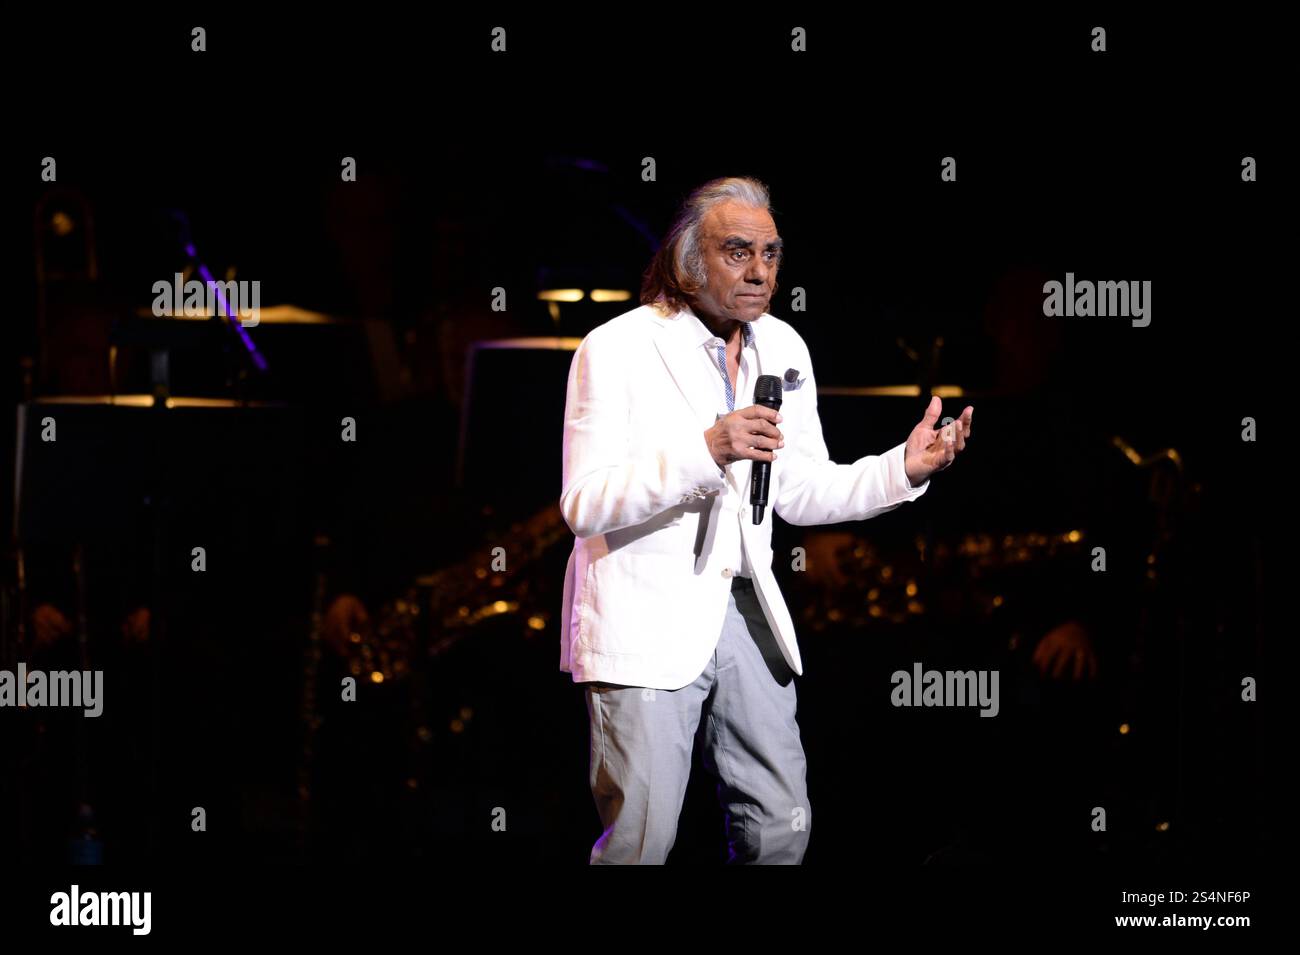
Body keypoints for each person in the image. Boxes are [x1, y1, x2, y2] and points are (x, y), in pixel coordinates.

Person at [557, 176, 973, 863]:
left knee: (782, 825)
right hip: (647, 620)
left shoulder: (781, 346)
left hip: (747, 609)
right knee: (642, 838)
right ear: (690, 260)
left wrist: (904, 468)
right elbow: (584, 503)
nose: (760, 272)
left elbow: (803, 488)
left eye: (772, 254)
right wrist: (707, 450)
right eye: (738, 252)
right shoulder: (617, 347)